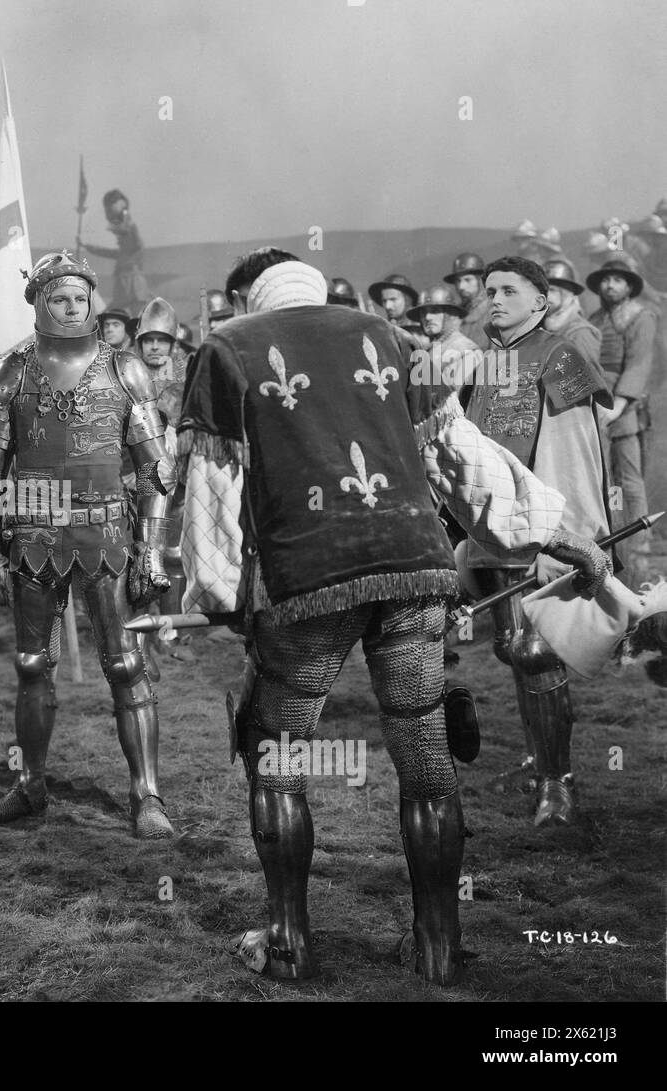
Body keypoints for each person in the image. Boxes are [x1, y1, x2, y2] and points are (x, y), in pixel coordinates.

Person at [178, 247, 609, 984]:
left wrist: (218, 595)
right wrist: (551, 527)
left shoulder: (229, 346)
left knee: (277, 757)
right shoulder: (385, 337)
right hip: (415, 564)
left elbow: (215, 481)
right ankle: (438, 948)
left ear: (252, 294)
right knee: (426, 759)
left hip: (309, 576)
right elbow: (456, 450)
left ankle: (288, 943)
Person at [0, 252, 174, 839]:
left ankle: (147, 795)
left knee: (124, 664)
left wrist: (152, 551)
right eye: (60, 297)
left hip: (105, 530)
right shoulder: (12, 374)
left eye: (81, 297)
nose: (73, 306)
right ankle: (29, 785)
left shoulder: (125, 370)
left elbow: (157, 471)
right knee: (33, 663)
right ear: (38, 302)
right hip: (33, 530)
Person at [463, 257, 614, 826]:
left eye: (508, 290)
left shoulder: (560, 355)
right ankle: (536, 759)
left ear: (541, 301)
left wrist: (568, 539)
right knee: (512, 650)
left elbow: (574, 452)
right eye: (489, 291)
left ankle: (558, 784)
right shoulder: (482, 363)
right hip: (491, 532)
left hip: (540, 532)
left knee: (536, 652)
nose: (494, 299)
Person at [587, 257, 659, 588]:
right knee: (605, 476)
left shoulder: (642, 316)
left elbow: (639, 363)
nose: (610, 285)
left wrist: (618, 405)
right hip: (596, 401)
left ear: (629, 286)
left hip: (624, 404)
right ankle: (615, 535)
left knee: (629, 477)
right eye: (606, 280)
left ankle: (640, 539)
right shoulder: (596, 319)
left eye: (618, 280)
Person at [133, 297, 192, 667]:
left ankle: (170, 632)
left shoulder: (189, 378)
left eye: (162, 340)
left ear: (173, 343)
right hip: (135, 479)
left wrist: (179, 432)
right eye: (149, 340)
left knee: (173, 556)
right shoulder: (124, 374)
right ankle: (138, 637)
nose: (155, 347)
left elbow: (198, 421)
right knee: (139, 557)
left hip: (178, 476)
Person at [408, 284, 482, 399]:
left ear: (449, 314)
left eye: (434, 311)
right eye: (423, 312)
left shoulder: (465, 351)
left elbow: (466, 400)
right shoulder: (428, 350)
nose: (427, 317)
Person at [78, 189, 147, 312]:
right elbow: (109, 253)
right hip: (127, 284)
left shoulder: (131, 234)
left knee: (114, 316)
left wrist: (125, 217)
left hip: (132, 284)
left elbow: (138, 244)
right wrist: (87, 246)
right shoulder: (126, 249)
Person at [541, 260, 600, 367]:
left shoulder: (580, 333)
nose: (546, 296)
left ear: (567, 293)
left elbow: (588, 378)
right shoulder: (542, 328)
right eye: (542, 290)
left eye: (552, 290)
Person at [367, 272, 426, 351]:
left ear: (407, 299)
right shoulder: (384, 329)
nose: (388, 306)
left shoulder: (423, 329)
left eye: (393, 299)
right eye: (384, 301)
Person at [442, 252, 490, 347]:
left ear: (480, 280)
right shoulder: (455, 315)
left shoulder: (494, 311)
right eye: (458, 281)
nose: (461, 286)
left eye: (467, 280)